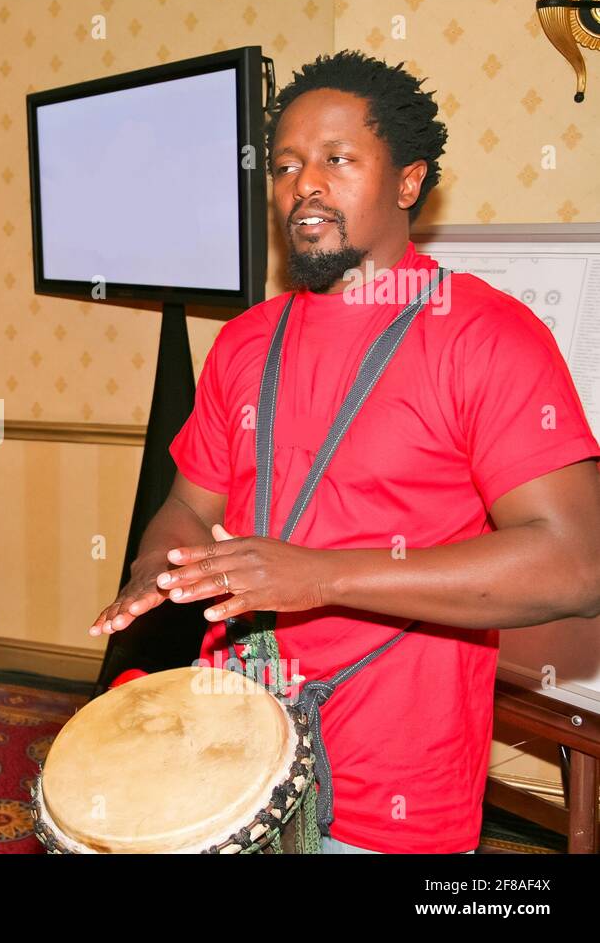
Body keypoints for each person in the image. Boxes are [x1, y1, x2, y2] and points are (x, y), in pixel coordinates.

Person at [91, 50, 600, 855]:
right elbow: (191, 501)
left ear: (407, 182)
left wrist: (320, 574)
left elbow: (577, 564)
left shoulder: (488, 336)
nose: (305, 184)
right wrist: (159, 568)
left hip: (394, 787)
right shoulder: (244, 340)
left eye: (337, 159)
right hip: (236, 751)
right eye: (287, 164)